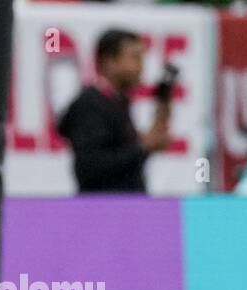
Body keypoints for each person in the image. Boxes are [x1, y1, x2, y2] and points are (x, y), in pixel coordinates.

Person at [56, 29, 173, 194]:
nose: (140, 67)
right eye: (135, 58)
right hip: (103, 211)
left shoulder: (117, 102)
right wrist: (143, 147)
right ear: (109, 62)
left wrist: (144, 145)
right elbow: (90, 168)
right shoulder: (91, 105)